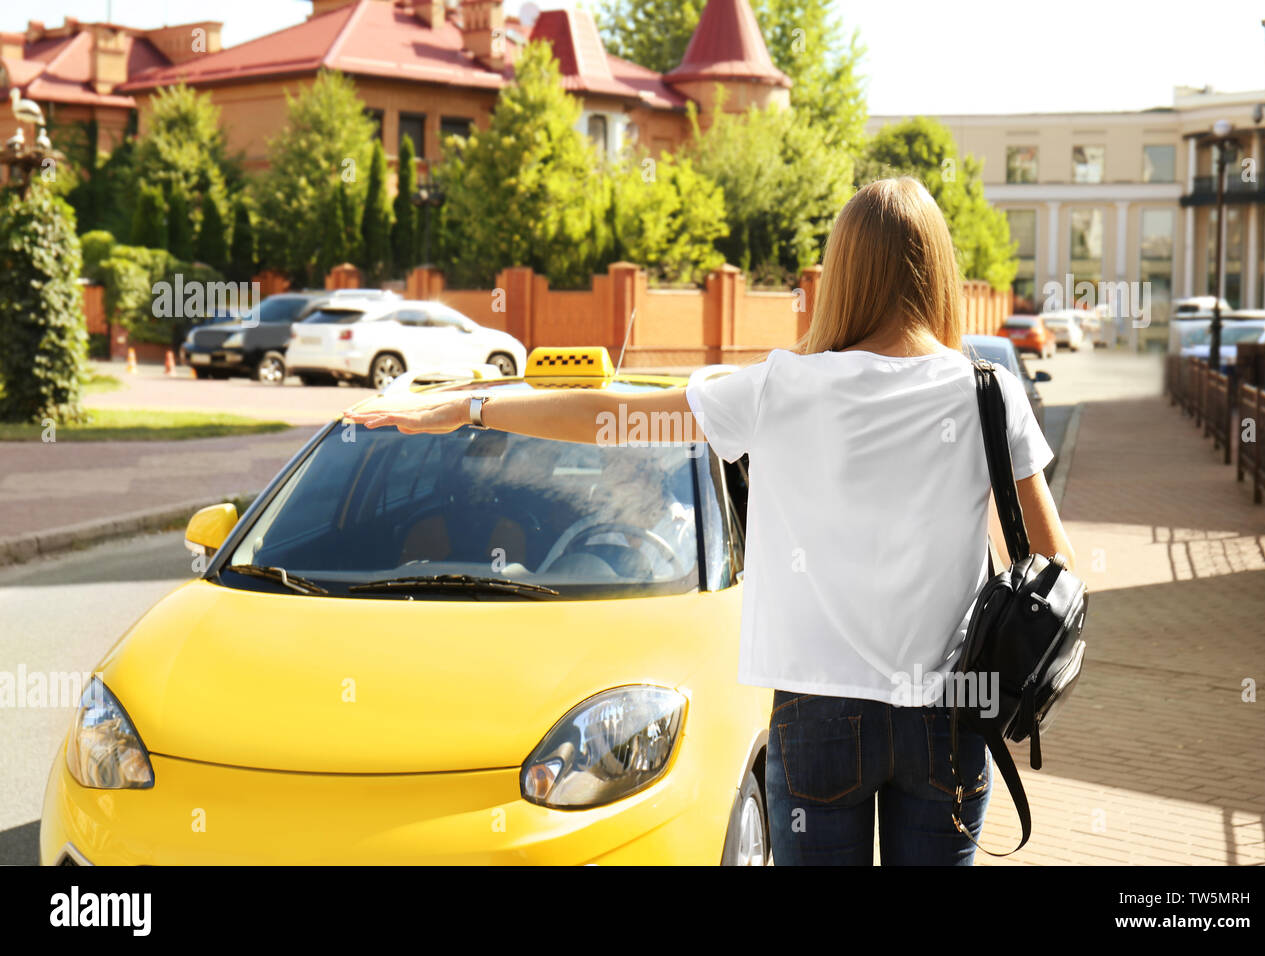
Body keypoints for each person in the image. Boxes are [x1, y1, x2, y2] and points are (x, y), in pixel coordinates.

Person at [349, 177, 1076, 866]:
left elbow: (616, 417)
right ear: (939, 272)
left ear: (846, 271)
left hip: (818, 713)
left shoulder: (783, 388)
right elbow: (1055, 566)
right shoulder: (989, 392)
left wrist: (473, 406)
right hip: (950, 713)